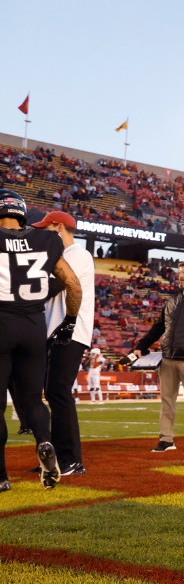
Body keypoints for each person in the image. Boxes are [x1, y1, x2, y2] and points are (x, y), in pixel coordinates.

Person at [0, 189, 82, 491]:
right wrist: (70, 322)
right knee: (33, 400)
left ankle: (1, 478)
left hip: (2, 324)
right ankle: (45, 443)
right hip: (34, 327)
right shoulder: (46, 240)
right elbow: (72, 285)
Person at [127, 260, 184, 453]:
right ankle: (167, 440)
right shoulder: (173, 299)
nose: (180, 276)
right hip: (168, 358)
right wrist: (141, 345)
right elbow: (159, 327)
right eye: (180, 273)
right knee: (166, 401)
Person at [33, 211, 95, 475]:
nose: (41, 233)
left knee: (59, 392)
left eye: (45, 228)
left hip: (70, 333)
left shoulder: (77, 254)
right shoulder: (61, 255)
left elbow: (55, 286)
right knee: (52, 392)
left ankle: (72, 459)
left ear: (58, 227)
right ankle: (58, 458)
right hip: (54, 332)